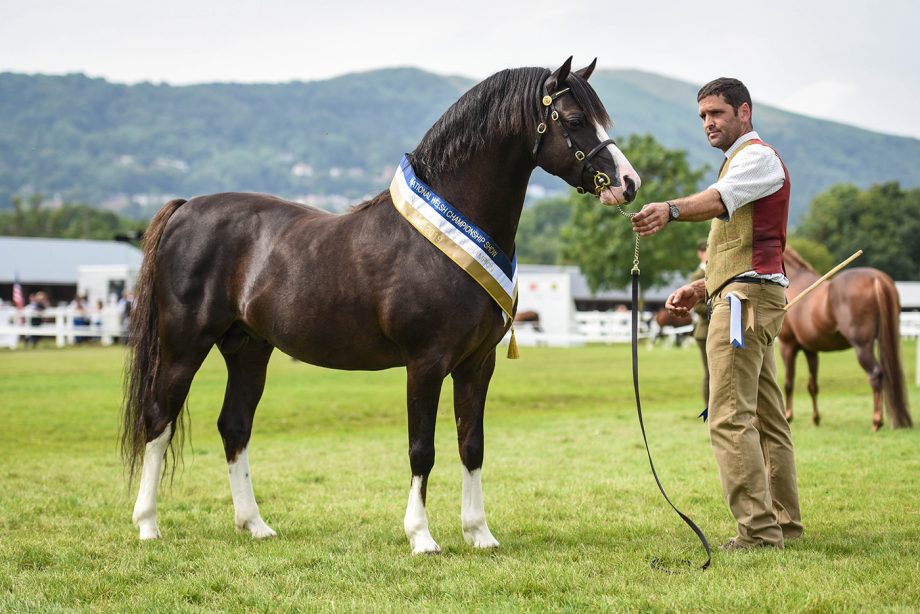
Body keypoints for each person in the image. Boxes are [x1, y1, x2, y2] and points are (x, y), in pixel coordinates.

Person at [630, 77, 803, 551]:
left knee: (727, 416)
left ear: (743, 113)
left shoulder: (756, 157)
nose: (708, 122)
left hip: (744, 305)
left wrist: (669, 208)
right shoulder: (741, 162)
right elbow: (745, 249)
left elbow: (715, 201)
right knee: (767, 419)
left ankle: (759, 534)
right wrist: (702, 286)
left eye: (717, 113)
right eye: (703, 116)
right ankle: (783, 524)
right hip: (746, 297)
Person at [688, 239, 710, 410]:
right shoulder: (697, 277)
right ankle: (708, 409)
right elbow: (698, 307)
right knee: (710, 373)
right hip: (705, 331)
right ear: (701, 253)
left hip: (717, 330)